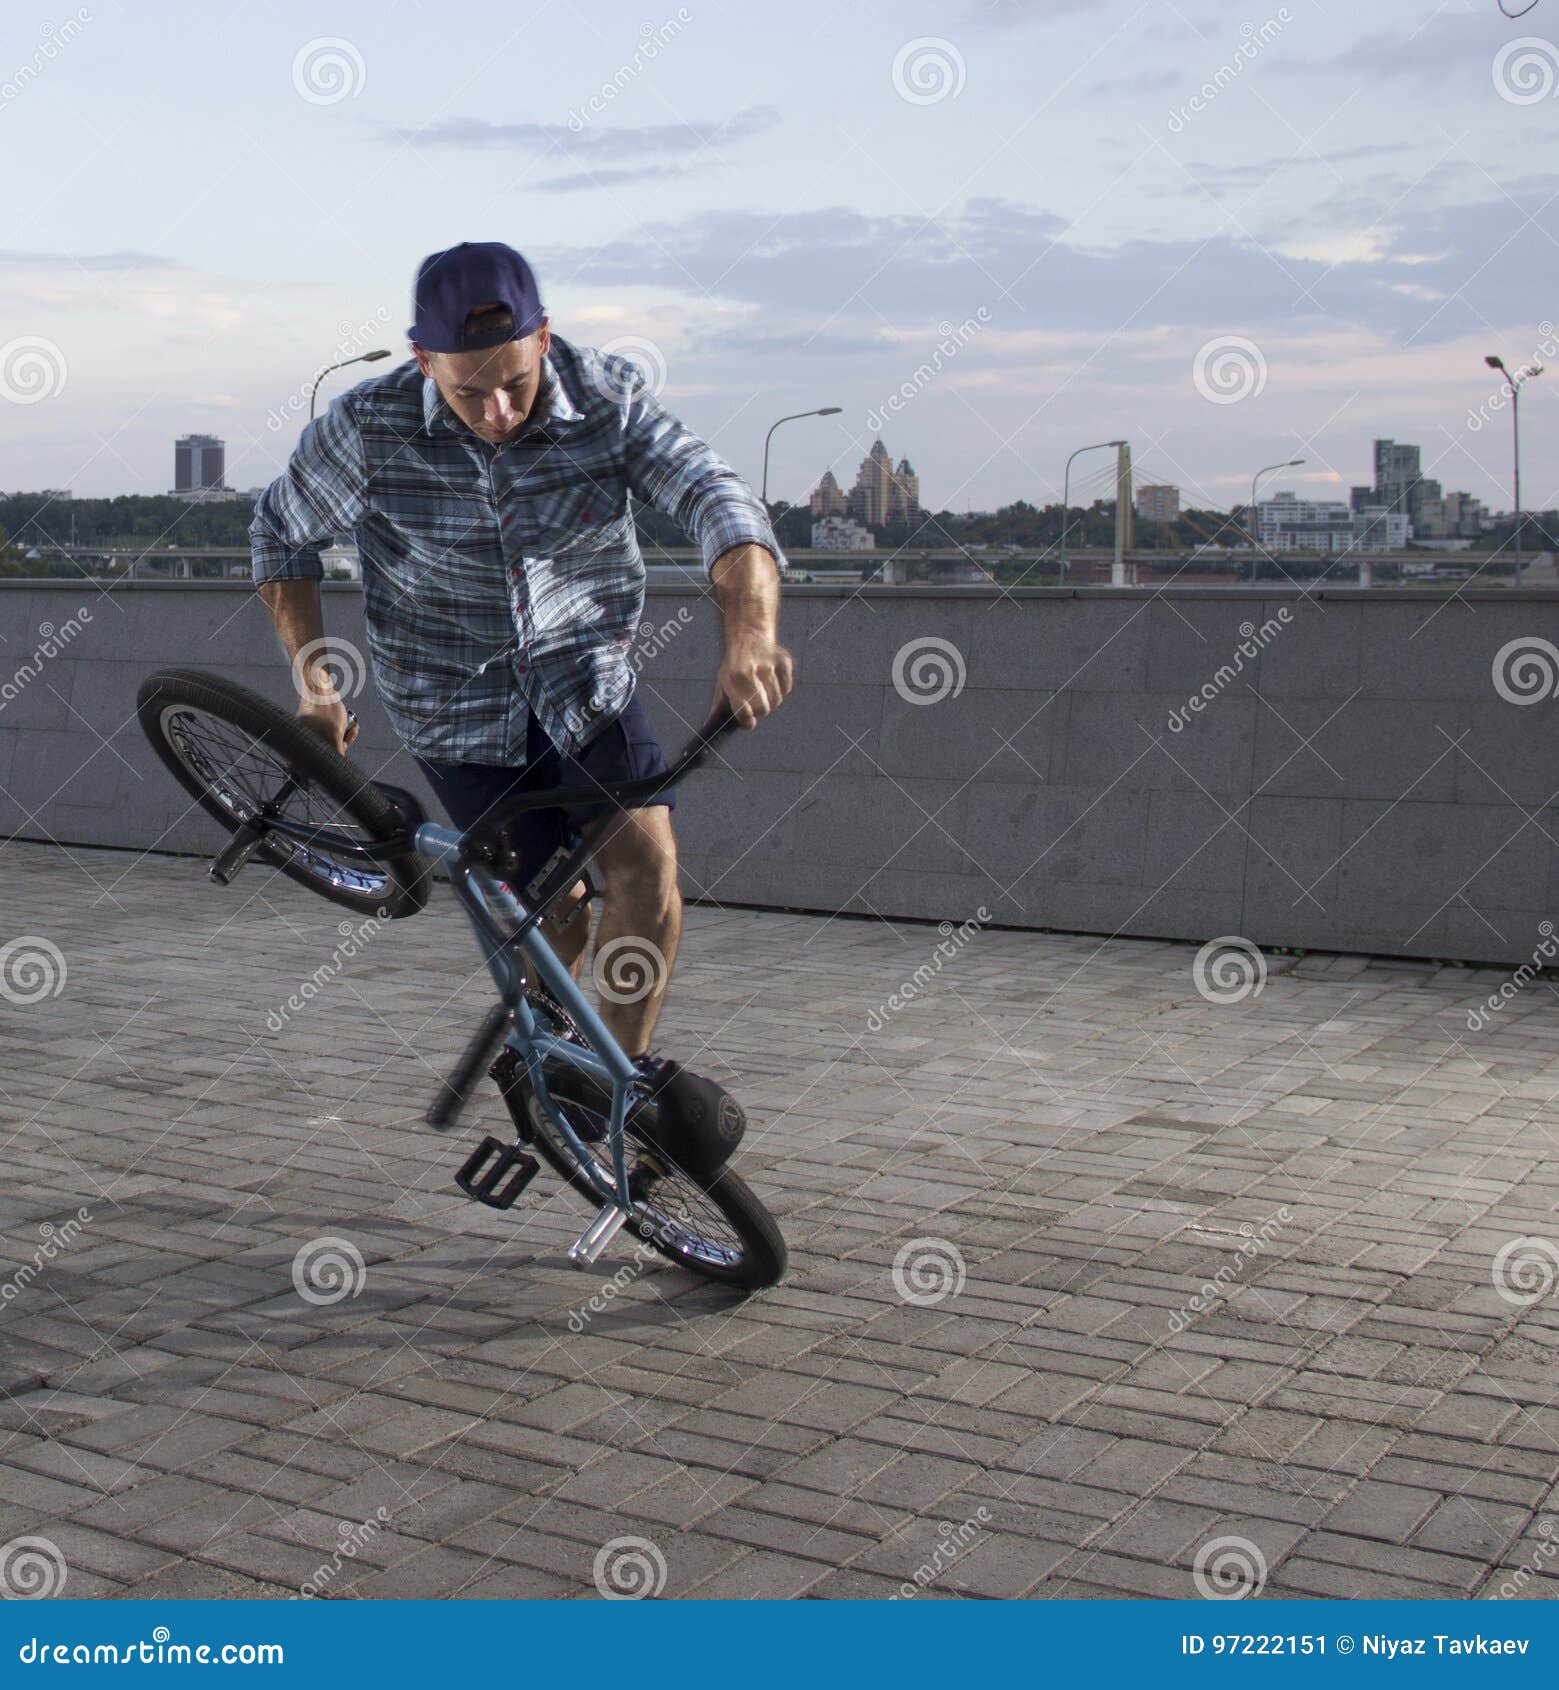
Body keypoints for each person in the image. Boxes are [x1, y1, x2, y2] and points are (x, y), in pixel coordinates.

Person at [250, 240, 794, 1085]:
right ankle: (542, 1048)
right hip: (454, 703)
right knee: (558, 910)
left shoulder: (607, 399)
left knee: (644, 869)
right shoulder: (366, 428)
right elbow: (280, 534)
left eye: (515, 381)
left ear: (544, 340)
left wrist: (750, 632)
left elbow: (716, 497)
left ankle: (622, 1081)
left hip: (586, 682)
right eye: (469, 391)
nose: (498, 410)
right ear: (423, 358)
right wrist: (314, 679)